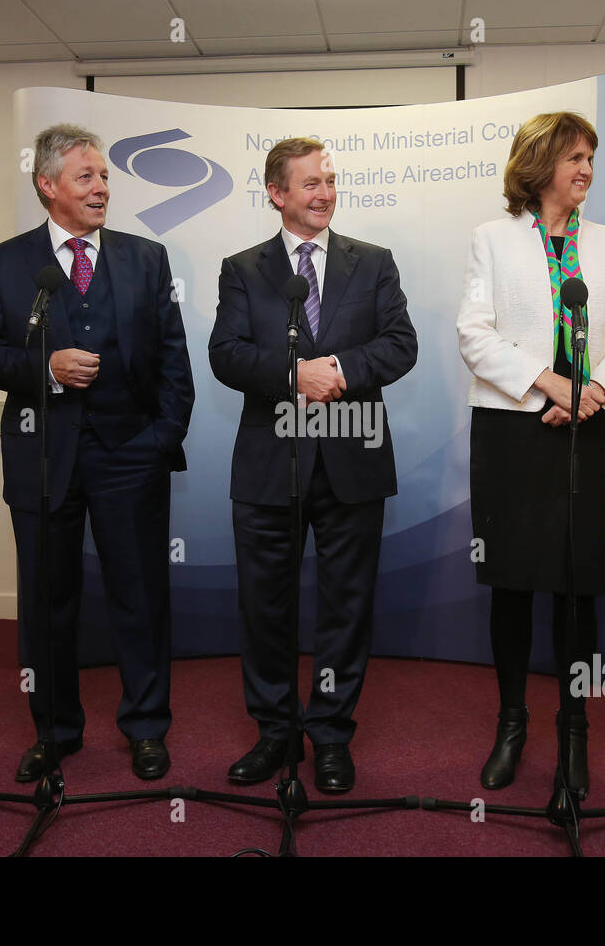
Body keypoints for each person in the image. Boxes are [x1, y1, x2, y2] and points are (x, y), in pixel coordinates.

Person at [0, 124, 194, 783]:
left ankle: (147, 730)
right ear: (47, 185)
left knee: (141, 599)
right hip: (43, 459)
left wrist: (160, 442)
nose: (101, 188)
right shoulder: (4, 263)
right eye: (87, 176)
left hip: (131, 457)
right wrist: (49, 367)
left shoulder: (145, 258)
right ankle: (56, 732)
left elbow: (174, 361)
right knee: (46, 602)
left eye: (105, 177)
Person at [209, 137, 417, 793]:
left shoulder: (374, 263)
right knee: (265, 607)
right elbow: (226, 354)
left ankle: (329, 735)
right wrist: (292, 375)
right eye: (309, 184)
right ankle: (275, 733)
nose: (324, 193)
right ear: (276, 193)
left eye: (329, 181)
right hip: (272, 465)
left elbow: (400, 344)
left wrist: (342, 371)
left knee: (345, 607)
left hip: (351, 462)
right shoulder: (243, 268)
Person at [456, 111, 605, 794]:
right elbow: (474, 334)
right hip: (514, 429)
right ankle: (512, 724)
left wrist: (591, 392)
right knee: (511, 583)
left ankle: (575, 731)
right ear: (539, 165)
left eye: (591, 156)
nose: (586, 169)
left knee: (576, 587)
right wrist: (550, 385)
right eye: (573, 157)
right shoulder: (493, 240)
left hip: (588, 429)